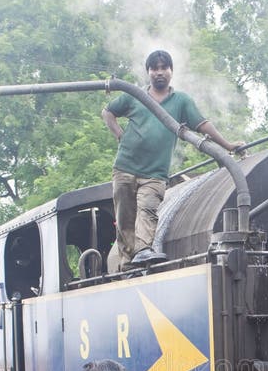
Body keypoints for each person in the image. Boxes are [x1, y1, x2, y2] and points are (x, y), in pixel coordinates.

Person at [102, 49, 243, 268]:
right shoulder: (134, 96)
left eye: (164, 68)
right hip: (125, 167)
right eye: (154, 68)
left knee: (148, 209)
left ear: (171, 71)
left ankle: (143, 250)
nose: (159, 72)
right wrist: (119, 134)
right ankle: (127, 264)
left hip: (155, 173)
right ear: (148, 72)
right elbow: (108, 112)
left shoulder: (181, 101)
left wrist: (227, 145)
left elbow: (202, 124)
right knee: (124, 218)